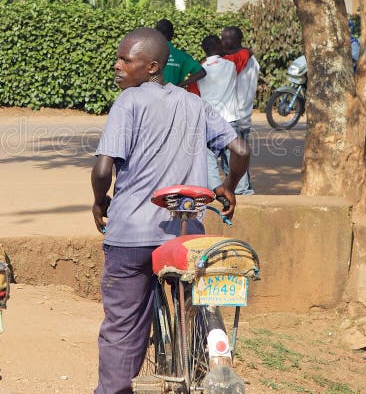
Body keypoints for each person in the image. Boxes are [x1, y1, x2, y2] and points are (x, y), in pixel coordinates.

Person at [91, 27, 249, 394]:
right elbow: (239, 149)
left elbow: (102, 170)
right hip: (186, 237)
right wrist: (228, 185)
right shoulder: (195, 104)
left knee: (123, 328)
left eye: (125, 60)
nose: (116, 66)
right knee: (195, 304)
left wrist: (100, 202)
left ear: (151, 67)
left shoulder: (128, 103)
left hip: (131, 237)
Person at [196, 34, 241, 191]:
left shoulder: (200, 69)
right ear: (217, 48)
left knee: (208, 157)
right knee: (234, 155)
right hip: (230, 118)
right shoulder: (230, 65)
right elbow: (236, 53)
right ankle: (240, 191)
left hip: (209, 120)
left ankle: (214, 189)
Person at [220, 25, 260, 195]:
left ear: (234, 40)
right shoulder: (248, 58)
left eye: (225, 38)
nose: (222, 41)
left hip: (234, 115)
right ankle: (244, 189)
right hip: (243, 114)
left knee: (233, 157)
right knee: (238, 156)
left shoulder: (236, 60)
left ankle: (242, 191)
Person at [154, 18, 207, 88]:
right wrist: (179, 85)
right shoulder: (182, 56)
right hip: (174, 96)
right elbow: (201, 72)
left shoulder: (149, 53)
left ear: (156, 33)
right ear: (172, 34)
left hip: (153, 96)